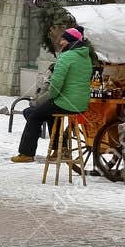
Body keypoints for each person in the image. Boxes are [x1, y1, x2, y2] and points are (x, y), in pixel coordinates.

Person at [13, 26, 93, 164]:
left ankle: (26, 153)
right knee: (49, 115)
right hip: (80, 102)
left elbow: (55, 86)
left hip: (66, 101)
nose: (60, 42)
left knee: (34, 115)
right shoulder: (85, 57)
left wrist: (44, 99)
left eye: (63, 39)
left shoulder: (66, 56)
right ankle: (59, 151)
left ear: (69, 42)